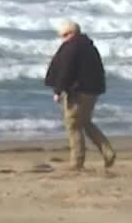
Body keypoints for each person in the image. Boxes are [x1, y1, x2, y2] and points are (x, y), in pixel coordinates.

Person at [45, 19, 115, 171]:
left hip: (78, 92)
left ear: (70, 33)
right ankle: (107, 152)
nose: (61, 39)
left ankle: (77, 162)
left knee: (73, 124)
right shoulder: (89, 46)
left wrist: (58, 90)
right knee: (85, 122)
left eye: (63, 35)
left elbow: (66, 70)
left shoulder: (72, 47)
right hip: (91, 90)